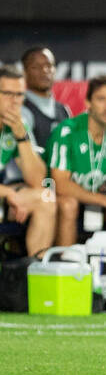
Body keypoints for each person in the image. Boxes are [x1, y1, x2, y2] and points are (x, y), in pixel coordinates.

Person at [48, 76, 106, 245]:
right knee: (69, 204)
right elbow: (60, 185)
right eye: (101, 99)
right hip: (57, 197)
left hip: (94, 197)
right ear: (88, 102)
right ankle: (67, 263)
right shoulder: (67, 131)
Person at [0, 65, 55, 258]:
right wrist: (9, 193)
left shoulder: (16, 125)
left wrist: (22, 137)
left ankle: (36, 272)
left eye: (20, 95)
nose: (15, 102)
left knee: (46, 198)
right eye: (8, 94)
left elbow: (38, 181)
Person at [20, 46, 70, 152]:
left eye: (49, 65)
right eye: (36, 67)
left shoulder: (63, 110)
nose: (44, 70)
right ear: (24, 72)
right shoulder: (20, 110)